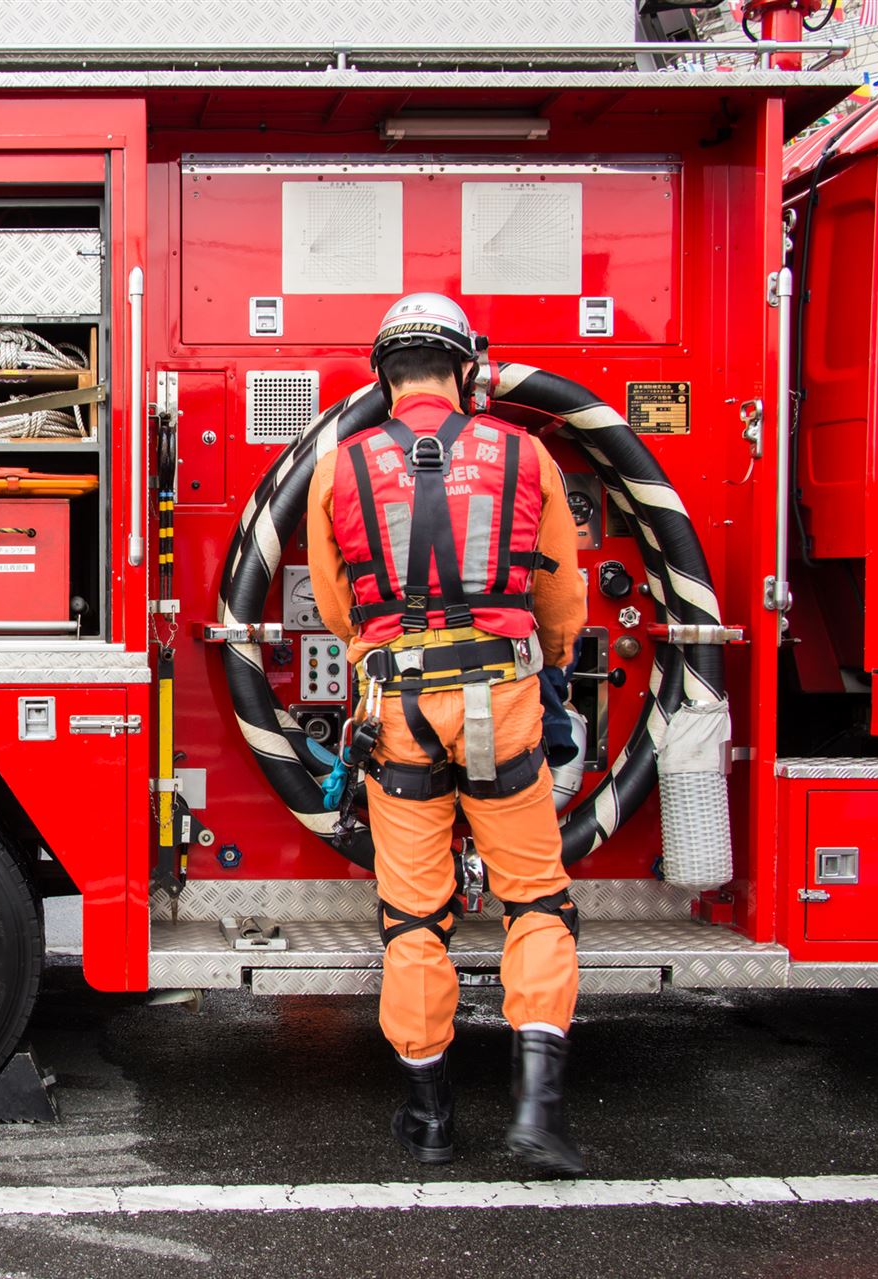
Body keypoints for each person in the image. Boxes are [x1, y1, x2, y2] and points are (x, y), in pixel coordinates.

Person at [305, 293, 589, 1175]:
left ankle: (429, 1121)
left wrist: (380, 655)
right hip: (503, 699)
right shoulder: (525, 452)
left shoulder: (336, 467)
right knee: (536, 898)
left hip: (397, 708)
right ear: (467, 367)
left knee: (413, 917)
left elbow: (333, 599)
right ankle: (537, 1115)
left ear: (383, 376)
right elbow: (562, 597)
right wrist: (552, 661)